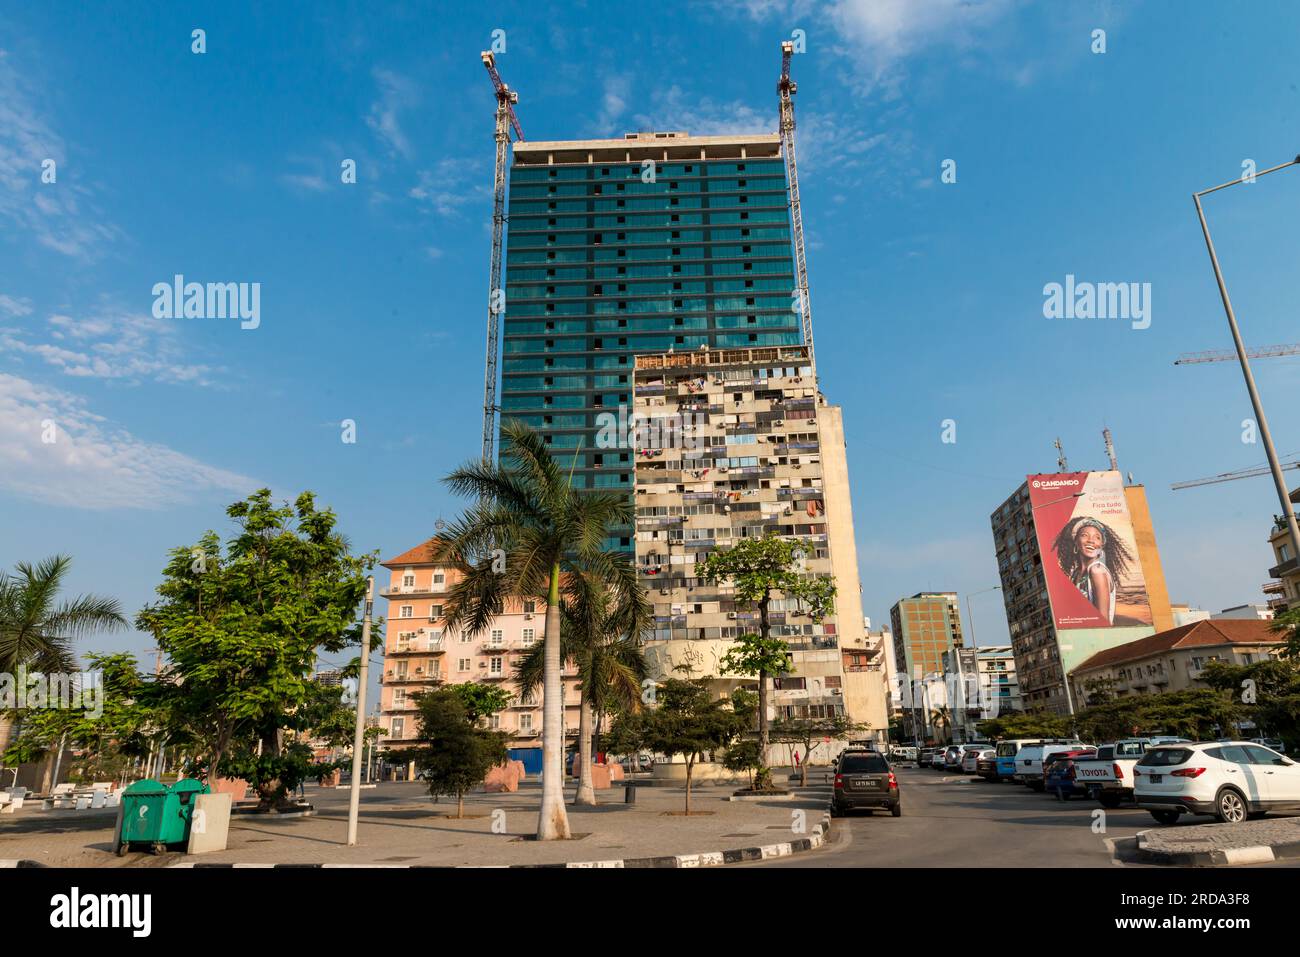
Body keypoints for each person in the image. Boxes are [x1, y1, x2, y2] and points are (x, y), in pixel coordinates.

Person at [1051, 516, 1136, 625]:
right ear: (1076, 541)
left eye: (1097, 537)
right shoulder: (1075, 574)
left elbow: (1103, 619)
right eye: (1084, 535)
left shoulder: (1097, 571)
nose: (1091, 541)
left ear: (1101, 545)